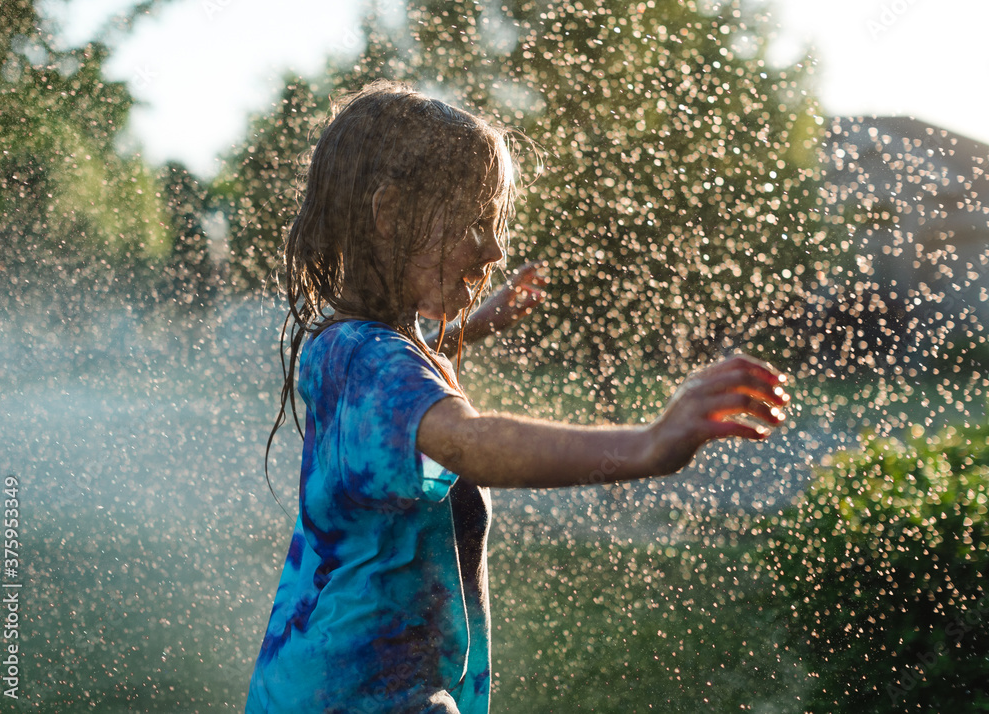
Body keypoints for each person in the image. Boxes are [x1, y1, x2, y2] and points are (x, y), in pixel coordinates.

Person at [245, 80, 790, 714]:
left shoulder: (360, 347)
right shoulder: (370, 358)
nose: (495, 249)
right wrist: (648, 444)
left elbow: (414, 379)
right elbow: (468, 443)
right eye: (473, 221)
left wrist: (476, 325)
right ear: (388, 213)